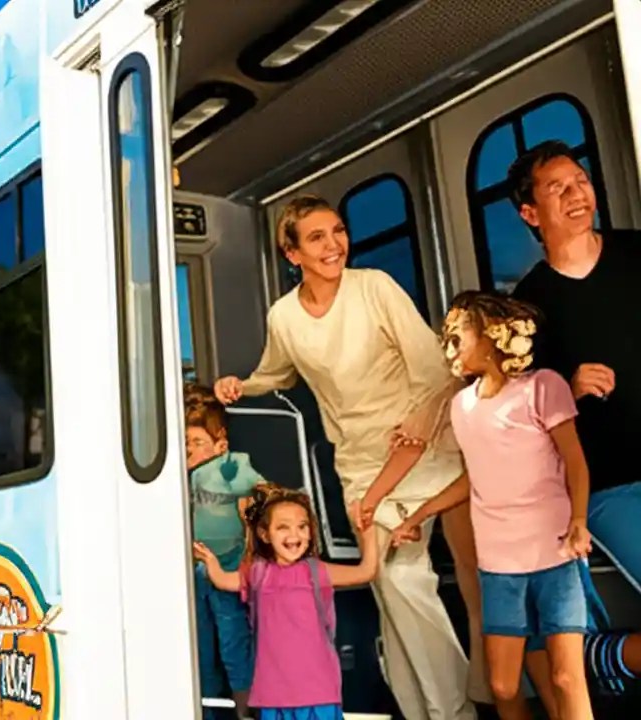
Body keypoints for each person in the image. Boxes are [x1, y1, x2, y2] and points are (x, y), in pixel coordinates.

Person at [213, 195, 482, 719]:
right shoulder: (285, 316)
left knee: (406, 581)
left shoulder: (375, 287)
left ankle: (453, 713)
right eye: (316, 237)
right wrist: (239, 386)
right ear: (292, 254)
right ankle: (422, 712)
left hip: (419, 449)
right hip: (357, 464)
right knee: (390, 592)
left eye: (338, 231)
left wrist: (421, 427)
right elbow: (277, 372)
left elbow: (433, 371)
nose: (334, 245)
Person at [390, 291, 595, 720]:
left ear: (491, 337)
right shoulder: (462, 406)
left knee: (566, 678)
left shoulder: (544, 386)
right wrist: (421, 513)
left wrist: (578, 520)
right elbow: (474, 477)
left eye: (458, 334)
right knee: (502, 685)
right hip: (499, 563)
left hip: (555, 552)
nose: (449, 346)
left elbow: (574, 462)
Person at [506, 140, 641, 594]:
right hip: (610, 486)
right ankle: (610, 661)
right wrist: (567, 387)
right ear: (530, 213)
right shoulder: (524, 308)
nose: (577, 194)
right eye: (558, 188)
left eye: (580, 181)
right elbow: (517, 417)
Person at [193, 484, 379, 720]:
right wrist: (210, 561)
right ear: (264, 534)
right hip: (272, 695)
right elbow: (221, 580)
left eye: (302, 527)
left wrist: (369, 535)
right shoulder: (258, 573)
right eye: (283, 527)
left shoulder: (317, 572)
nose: (294, 535)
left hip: (318, 693)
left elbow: (367, 572)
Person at [186, 391, 264, 719]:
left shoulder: (231, 467)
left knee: (234, 646)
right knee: (199, 649)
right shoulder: (173, 477)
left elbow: (263, 495)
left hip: (230, 569)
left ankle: (248, 712)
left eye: (197, 441)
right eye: (185, 442)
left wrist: (250, 551)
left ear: (220, 442)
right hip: (194, 573)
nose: (189, 449)